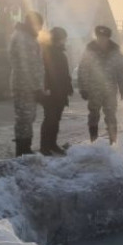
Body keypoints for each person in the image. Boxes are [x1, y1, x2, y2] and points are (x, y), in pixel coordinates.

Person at [78, 25, 123, 144]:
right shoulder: (90, 49)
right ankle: (94, 141)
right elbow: (83, 69)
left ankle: (113, 142)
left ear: (108, 37)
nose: (101, 40)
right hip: (94, 89)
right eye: (99, 37)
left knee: (111, 115)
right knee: (93, 115)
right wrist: (83, 88)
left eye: (104, 37)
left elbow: (121, 70)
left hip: (110, 90)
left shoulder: (115, 50)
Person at [8, 11, 46, 156]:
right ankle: (22, 150)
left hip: (27, 85)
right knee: (24, 118)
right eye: (39, 26)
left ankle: (25, 148)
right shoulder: (23, 38)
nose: (40, 29)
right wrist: (36, 88)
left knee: (28, 117)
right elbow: (26, 65)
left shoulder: (27, 37)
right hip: (24, 85)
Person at [39, 27, 74, 155]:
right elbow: (44, 73)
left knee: (56, 119)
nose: (64, 41)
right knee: (50, 119)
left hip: (60, 92)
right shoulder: (47, 52)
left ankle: (52, 144)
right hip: (51, 92)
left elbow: (64, 73)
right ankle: (44, 147)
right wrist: (46, 88)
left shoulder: (60, 53)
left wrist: (68, 86)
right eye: (63, 38)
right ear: (57, 39)